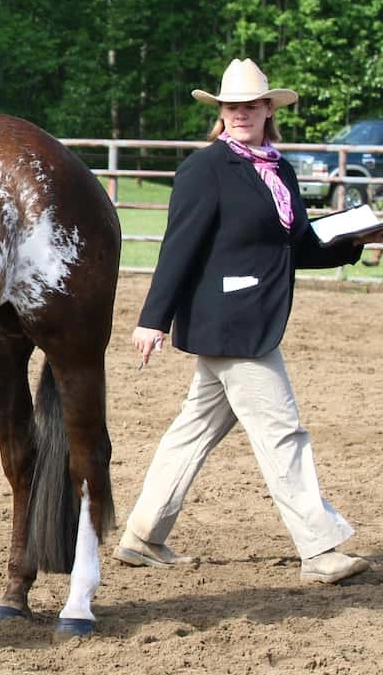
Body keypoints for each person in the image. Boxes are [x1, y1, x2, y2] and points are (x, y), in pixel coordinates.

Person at [112, 58, 377, 585]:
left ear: (267, 110)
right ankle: (320, 550)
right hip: (228, 321)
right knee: (284, 434)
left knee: (194, 430)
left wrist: (357, 241)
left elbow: (294, 246)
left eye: (250, 105)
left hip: (251, 318)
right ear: (221, 112)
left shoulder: (279, 169)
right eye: (231, 106)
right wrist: (152, 320)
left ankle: (143, 535)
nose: (240, 114)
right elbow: (179, 249)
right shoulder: (205, 169)